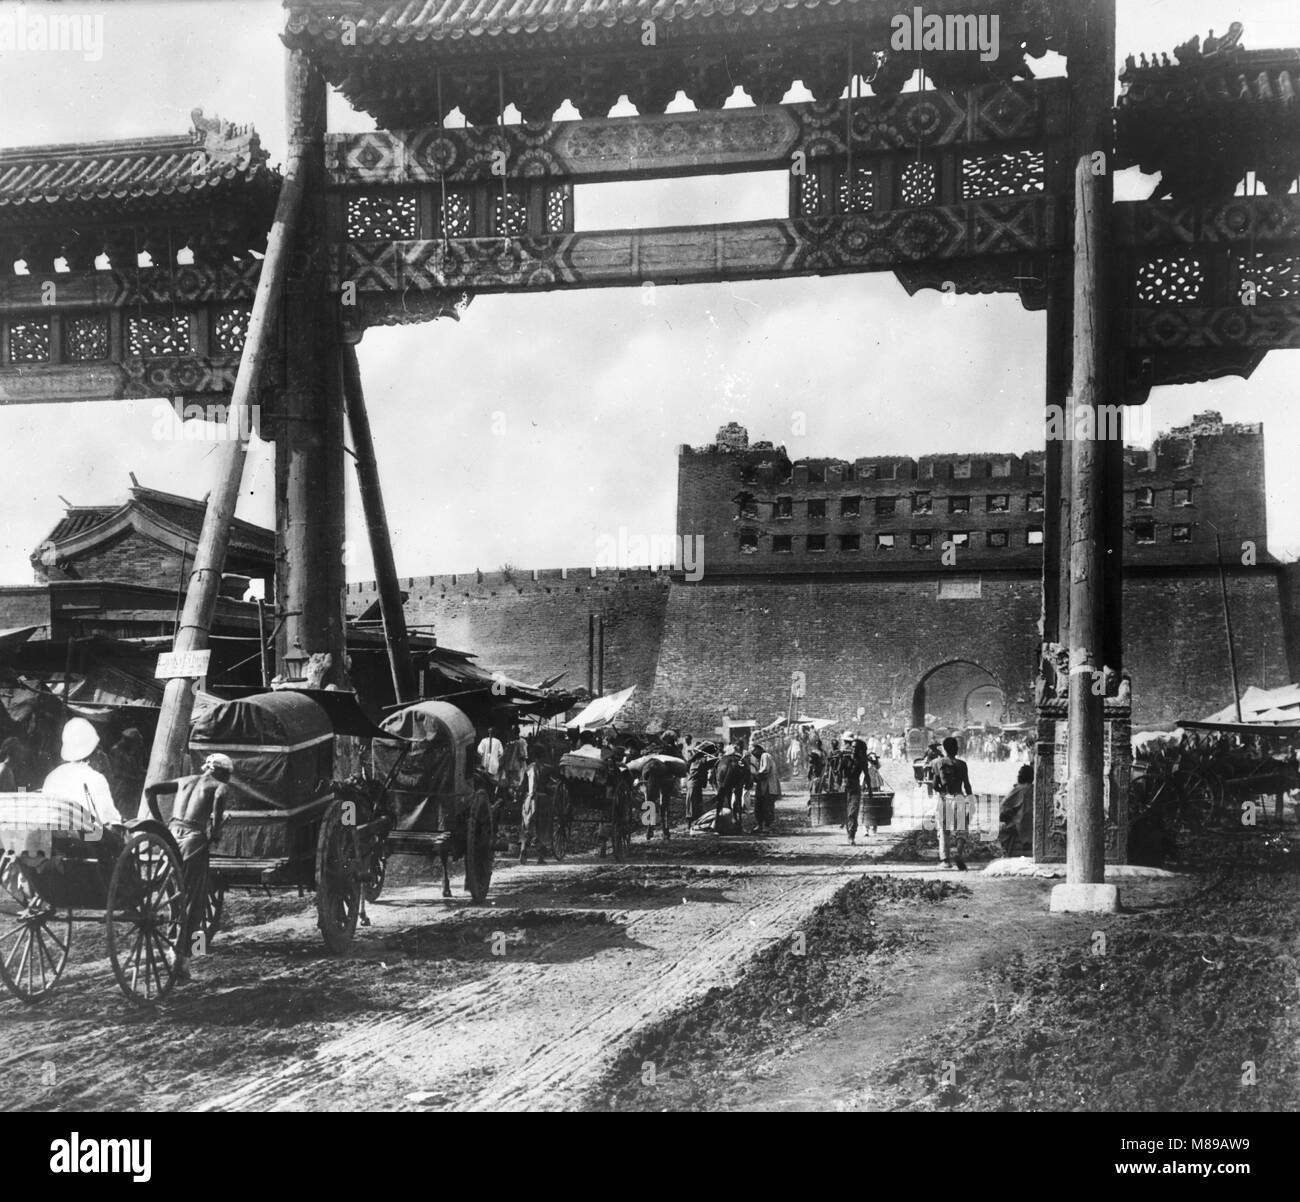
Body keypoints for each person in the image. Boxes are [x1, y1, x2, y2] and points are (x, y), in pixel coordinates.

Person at [144, 753, 231, 982]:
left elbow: (150, 790)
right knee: (195, 902)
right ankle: (186, 959)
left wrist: (158, 822)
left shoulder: (185, 780)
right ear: (222, 772)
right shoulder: (219, 786)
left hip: (171, 838)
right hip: (194, 842)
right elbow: (219, 801)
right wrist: (216, 829)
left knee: (175, 900)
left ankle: (174, 948)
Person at [41, 717, 121, 827]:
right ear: (93, 752)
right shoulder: (96, 779)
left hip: (55, 837)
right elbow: (108, 818)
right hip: (87, 840)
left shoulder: (52, 776)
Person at [931, 735, 971, 870]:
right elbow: (967, 785)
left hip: (945, 798)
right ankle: (958, 852)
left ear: (944, 749)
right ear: (957, 749)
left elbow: (935, 785)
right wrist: (970, 799)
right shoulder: (962, 764)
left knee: (943, 829)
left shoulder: (937, 763)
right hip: (959, 796)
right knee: (961, 828)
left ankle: (945, 860)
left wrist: (941, 789)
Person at [107, 727, 146, 820]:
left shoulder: (134, 751)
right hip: (121, 787)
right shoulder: (117, 751)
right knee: (122, 811)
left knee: (132, 811)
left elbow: (138, 767)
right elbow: (117, 772)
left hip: (133, 788)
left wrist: (142, 772)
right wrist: (136, 777)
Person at [518, 743, 547, 865]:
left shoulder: (534, 767)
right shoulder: (534, 768)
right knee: (534, 826)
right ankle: (534, 853)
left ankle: (525, 851)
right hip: (533, 799)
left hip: (531, 799)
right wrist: (531, 798)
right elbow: (532, 786)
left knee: (528, 826)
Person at [998, 764, 1035, 857]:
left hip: (1020, 824)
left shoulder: (1020, 789)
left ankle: (1006, 853)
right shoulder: (1033, 789)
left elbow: (1003, 807)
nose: (1018, 775)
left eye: (1019, 773)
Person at [750, 743, 778, 834]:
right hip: (762, 785)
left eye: (754, 751)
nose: (754, 754)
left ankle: (767, 826)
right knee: (758, 805)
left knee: (767, 806)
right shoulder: (760, 758)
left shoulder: (765, 756)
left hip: (768, 786)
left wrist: (755, 775)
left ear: (759, 749)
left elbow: (765, 770)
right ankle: (760, 825)